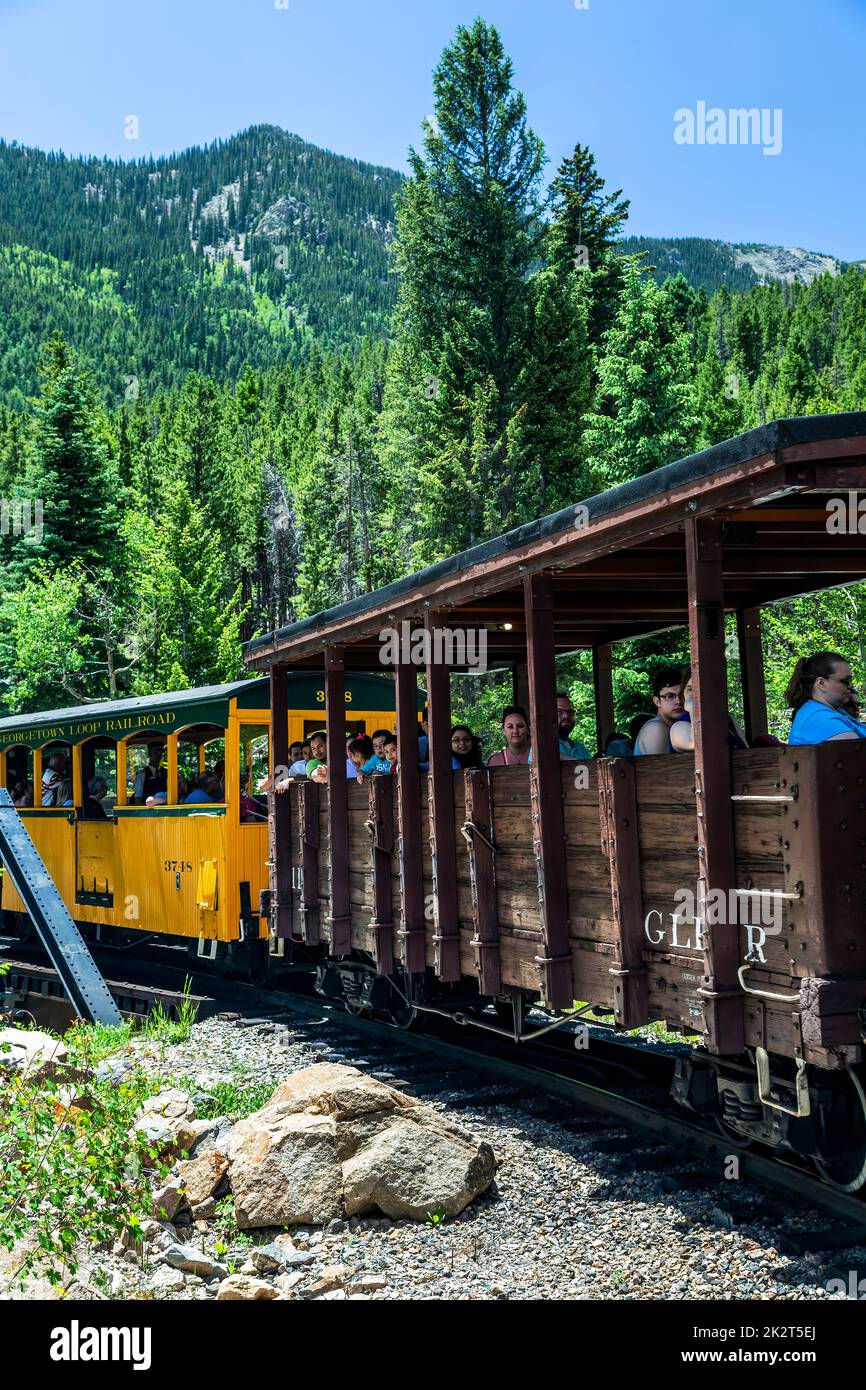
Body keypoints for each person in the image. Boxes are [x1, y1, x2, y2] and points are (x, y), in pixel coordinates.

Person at [786, 652, 866, 744]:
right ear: (821, 683)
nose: (851, 686)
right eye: (846, 681)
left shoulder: (833, 711)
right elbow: (858, 751)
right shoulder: (817, 718)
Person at [670, 669, 748, 752]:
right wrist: (693, 709)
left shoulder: (726, 719)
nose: (696, 694)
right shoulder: (678, 726)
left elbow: (745, 747)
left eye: (702, 688)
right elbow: (697, 744)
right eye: (690, 690)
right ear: (683, 694)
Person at [634, 668, 684, 756]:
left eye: (682, 695)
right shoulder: (655, 728)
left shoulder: (675, 727)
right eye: (670, 696)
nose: (678, 701)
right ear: (657, 701)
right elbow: (660, 769)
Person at [553, 692, 591, 760]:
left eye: (570, 712)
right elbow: (538, 755)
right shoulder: (543, 747)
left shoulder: (581, 748)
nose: (566, 716)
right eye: (559, 712)